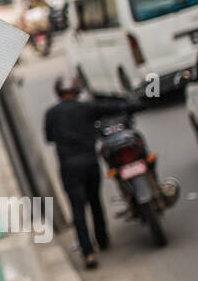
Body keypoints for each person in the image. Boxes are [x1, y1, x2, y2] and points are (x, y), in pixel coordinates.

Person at [43, 74, 134, 269]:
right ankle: (102, 240)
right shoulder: (87, 108)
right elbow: (115, 108)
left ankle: (88, 254)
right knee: (95, 202)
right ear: (76, 91)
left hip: (69, 167)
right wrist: (136, 103)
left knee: (78, 210)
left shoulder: (52, 113)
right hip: (90, 163)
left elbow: (49, 137)